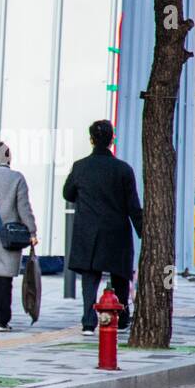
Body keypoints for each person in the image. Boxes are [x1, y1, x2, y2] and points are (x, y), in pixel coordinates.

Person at [63, 120, 143, 335]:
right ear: (111, 140)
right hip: (116, 230)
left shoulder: (80, 167)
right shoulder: (123, 169)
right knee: (120, 276)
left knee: (90, 277)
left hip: (88, 231)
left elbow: (67, 194)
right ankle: (122, 316)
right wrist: (143, 231)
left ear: (91, 139)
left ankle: (88, 322)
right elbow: (133, 205)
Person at [0, 140, 38, 331]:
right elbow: (23, 207)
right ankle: (2, 320)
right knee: (5, 277)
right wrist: (32, 231)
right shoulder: (17, 178)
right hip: (9, 234)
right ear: (8, 158)